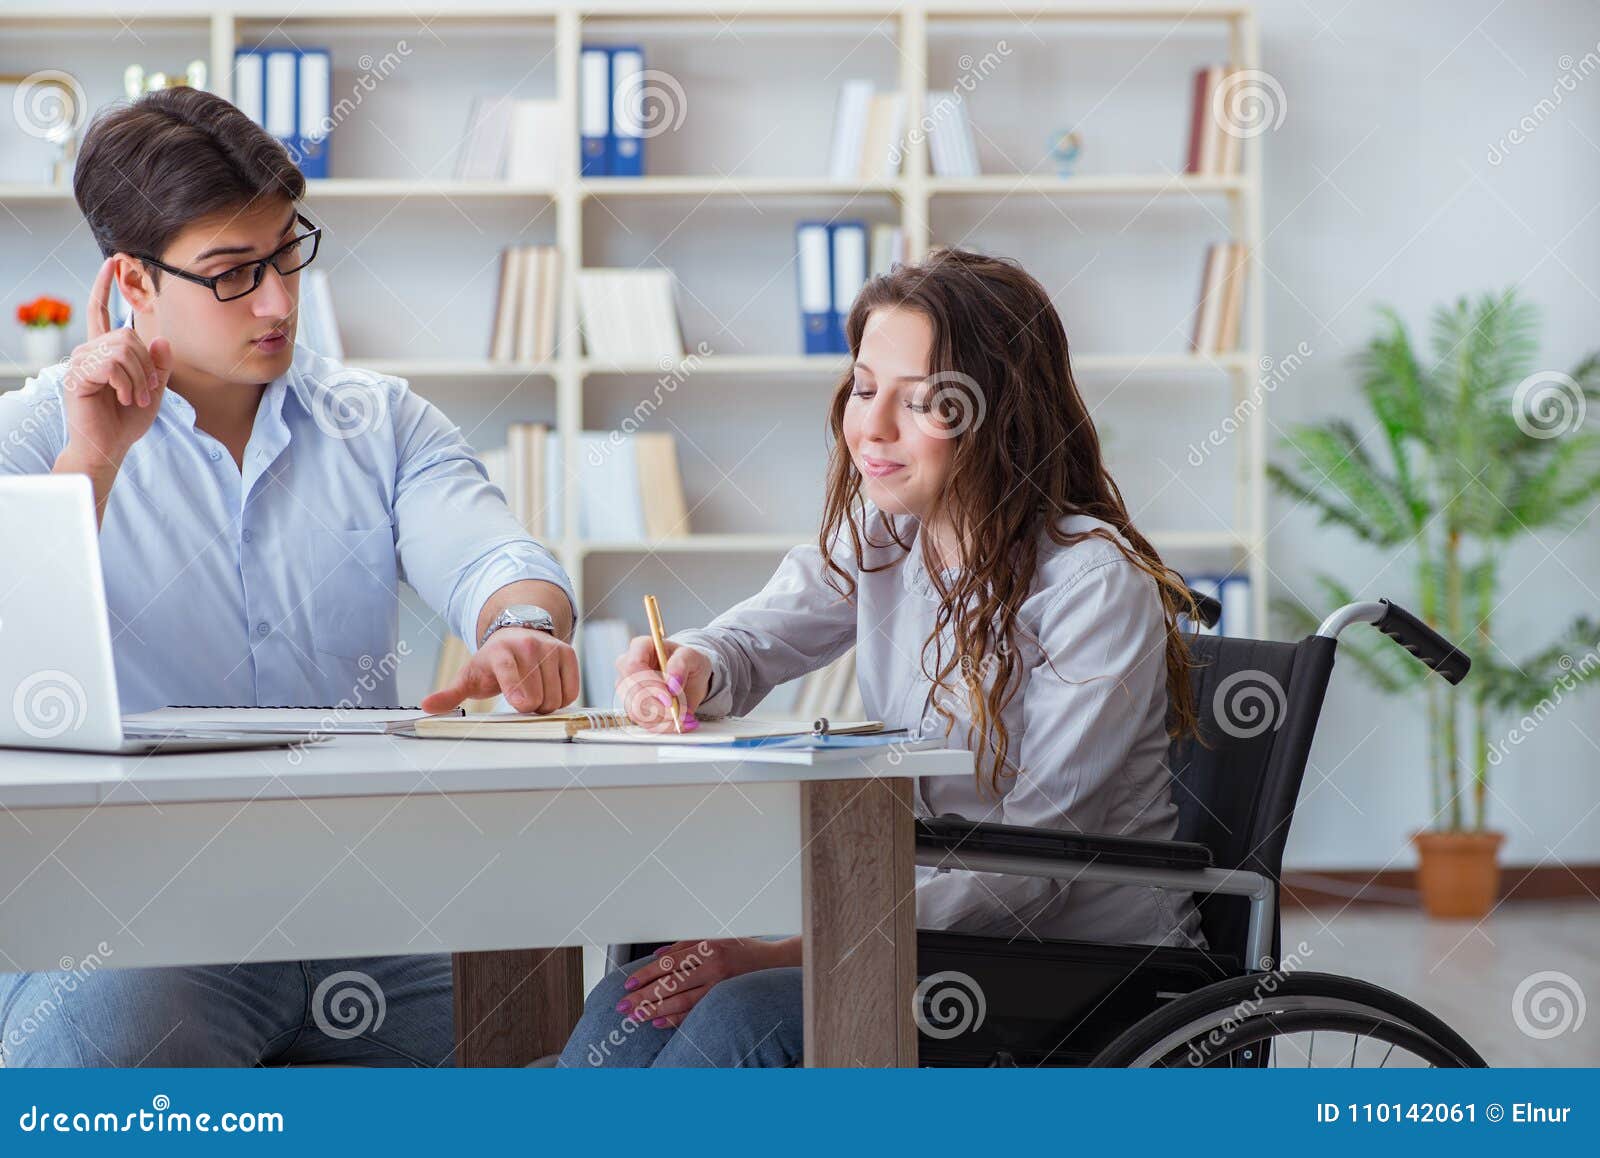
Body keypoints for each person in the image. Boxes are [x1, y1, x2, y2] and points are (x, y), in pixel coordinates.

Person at [0, 87, 578, 1067]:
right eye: (232, 274)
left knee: (534, 1046)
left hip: (363, 912)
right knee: (95, 1070)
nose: (277, 301)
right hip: (130, 921)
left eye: (285, 254)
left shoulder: (380, 422)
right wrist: (90, 468)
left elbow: (492, 556)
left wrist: (518, 626)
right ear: (133, 283)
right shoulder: (35, 437)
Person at [559, 247, 1208, 1068]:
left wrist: (783, 951)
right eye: (864, 390)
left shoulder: (1090, 584)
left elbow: (1034, 869)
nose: (871, 427)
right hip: (921, 928)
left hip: (1073, 965)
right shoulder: (886, 532)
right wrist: (690, 664)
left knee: (741, 1017)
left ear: (1000, 411)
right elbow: (757, 635)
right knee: (637, 1001)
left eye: (921, 401)